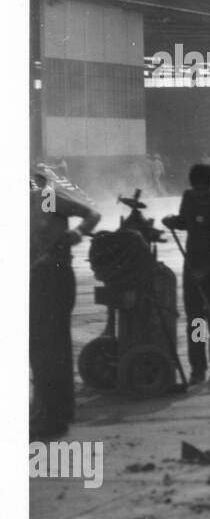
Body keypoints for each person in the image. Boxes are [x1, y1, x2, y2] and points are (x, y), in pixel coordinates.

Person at [30, 172, 100, 438]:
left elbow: (91, 214)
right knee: (39, 347)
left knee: (50, 345)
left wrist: (78, 233)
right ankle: (51, 409)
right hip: (33, 279)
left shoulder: (45, 200)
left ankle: (52, 413)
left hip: (54, 276)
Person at [162, 164, 210, 385]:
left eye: (203, 187)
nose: (199, 191)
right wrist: (173, 221)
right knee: (196, 322)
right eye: (196, 187)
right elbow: (185, 221)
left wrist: (204, 271)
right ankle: (198, 368)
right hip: (192, 270)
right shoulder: (189, 198)